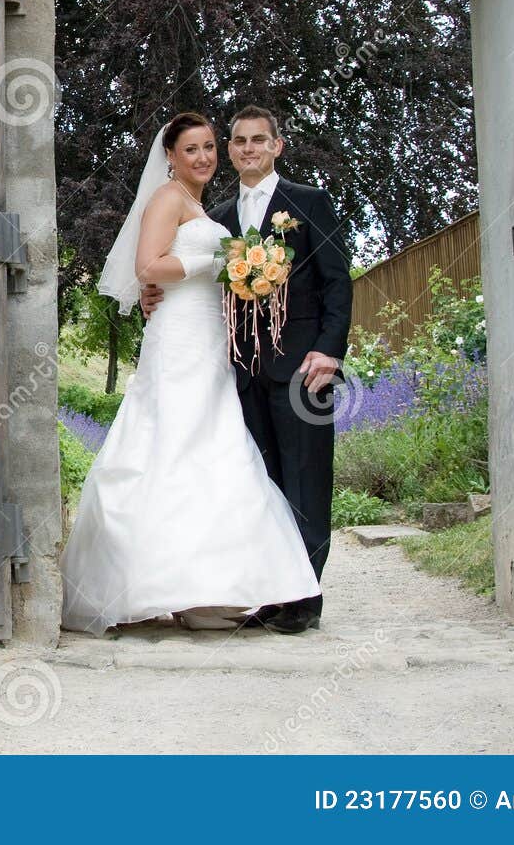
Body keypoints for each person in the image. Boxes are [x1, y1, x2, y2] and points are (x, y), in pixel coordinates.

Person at [60, 111, 322, 636]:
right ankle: (158, 586)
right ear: (171, 157)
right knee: (173, 445)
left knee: (212, 450)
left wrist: (237, 269)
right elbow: (147, 266)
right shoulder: (167, 199)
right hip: (179, 341)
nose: (203, 157)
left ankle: (204, 592)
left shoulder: (205, 208)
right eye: (191, 149)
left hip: (211, 342)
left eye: (208, 147)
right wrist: (215, 262)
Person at [138, 105, 352, 634]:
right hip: (237, 368)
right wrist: (151, 293)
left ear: (277, 146)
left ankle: (304, 598)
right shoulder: (219, 218)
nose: (248, 148)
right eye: (239, 141)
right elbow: (188, 274)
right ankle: (269, 591)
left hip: (302, 365)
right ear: (231, 150)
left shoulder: (309, 202)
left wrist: (329, 349)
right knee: (261, 483)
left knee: (305, 478)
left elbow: (336, 280)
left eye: (259, 140)